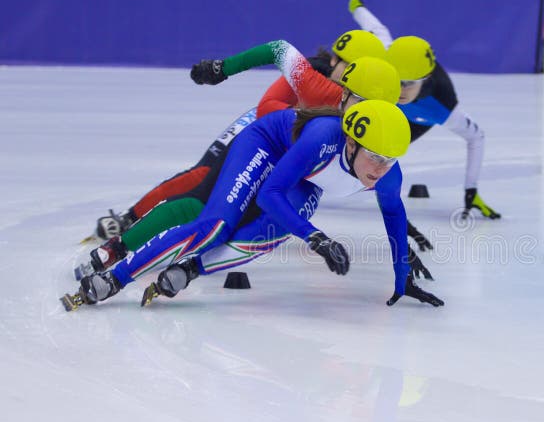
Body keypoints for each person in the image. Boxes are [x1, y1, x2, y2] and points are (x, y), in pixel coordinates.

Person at [80, 38, 434, 280]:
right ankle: (126, 231)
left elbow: (382, 185)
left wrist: (401, 243)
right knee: (203, 188)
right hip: (268, 130)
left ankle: (185, 260)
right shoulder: (320, 88)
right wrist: (223, 68)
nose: (364, 116)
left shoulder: (376, 124)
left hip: (301, 153)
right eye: (357, 102)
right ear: (344, 90)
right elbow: (278, 53)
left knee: (247, 215)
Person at [62, 98, 444, 310]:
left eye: (390, 160)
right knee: (215, 226)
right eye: (375, 157)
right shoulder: (322, 138)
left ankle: (191, 268)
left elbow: (394, 216)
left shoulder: (387, 175)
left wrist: (402, 277)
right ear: (351, 142)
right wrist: (317, 238)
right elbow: (269, 194)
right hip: (264, 146)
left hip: (306, 177)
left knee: (272, 232)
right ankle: (115, 278)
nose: (380, 169)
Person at [91, 30, 387, 241]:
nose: (337, 66)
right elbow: (267, 106)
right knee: (203, 177)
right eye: (338, 60)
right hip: (268, 127)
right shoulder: (316, 80)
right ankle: (130, 218)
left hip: (297, 141)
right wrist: (223, 69)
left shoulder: (375, 110)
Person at [348, 0, 502, 220]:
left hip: (418, 119)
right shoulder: (387, 54)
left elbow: (476, 137)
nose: (400, 90)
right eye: (397, 80)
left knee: (378, 152)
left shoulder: (442, 106)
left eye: (408, 83)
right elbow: (377, 29)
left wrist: (471, 189)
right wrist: (357, 8)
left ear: (425, 80)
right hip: (401, 109)